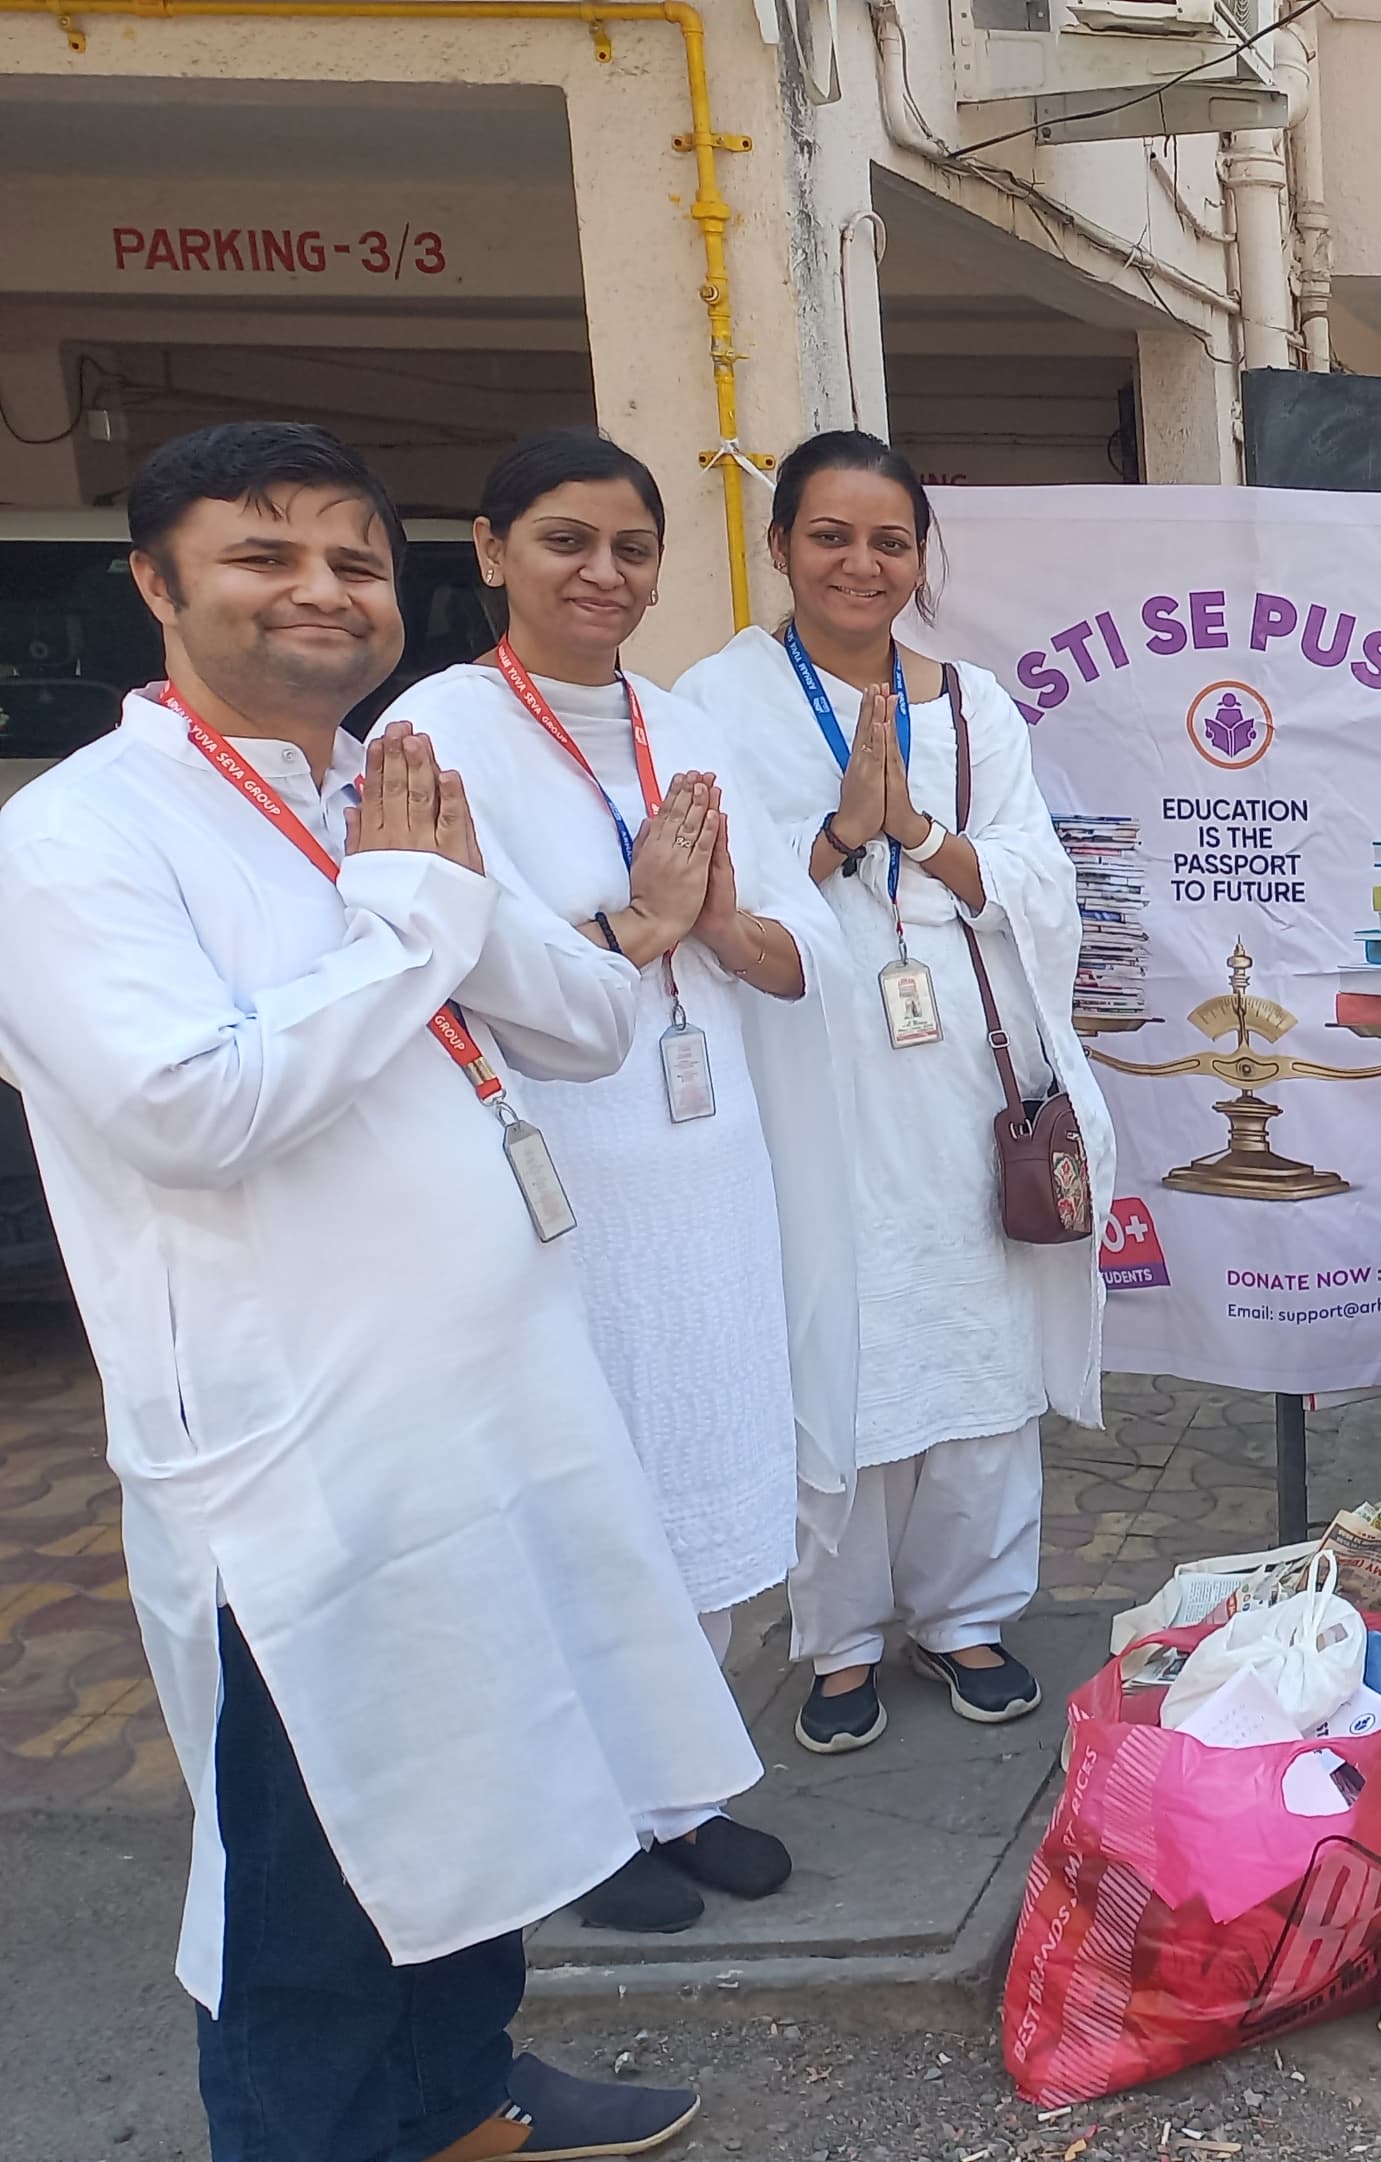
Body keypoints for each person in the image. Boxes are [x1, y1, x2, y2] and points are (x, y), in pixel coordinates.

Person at [0, 422, 752, 2158]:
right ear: (155, 583)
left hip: (490, 1410)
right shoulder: (80, 837)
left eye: (349, 558)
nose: (321, 589)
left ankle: (458, 2093)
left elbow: (586, 1021)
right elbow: (195, 1108)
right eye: (264, 555)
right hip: (299, 1459)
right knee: (319, 1867)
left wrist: (441, 893)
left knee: (480, 1790)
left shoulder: (367, 795)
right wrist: (410, 913)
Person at [378, 429, 857, 1931]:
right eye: (567, 541)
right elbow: (458, 970)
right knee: (587, 1493)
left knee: (711, 1473)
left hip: (708, 1175)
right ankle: (590, 1821)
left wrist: (707, 925)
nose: (604, 573)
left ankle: (681, 1788)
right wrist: (636, 927)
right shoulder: (435, 737)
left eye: (631, 549)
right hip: (558, 1176)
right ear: (491, 549)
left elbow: (802, 951)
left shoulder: (673, 723)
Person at [677, 429, 1111, 1754]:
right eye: (830, 534)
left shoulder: (977, 704)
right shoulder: (720, 700)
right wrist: (838, 833)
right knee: (838, 1343)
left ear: (921, 555)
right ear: (780, 547)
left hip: (963, 1077)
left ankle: (969, 1614)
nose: (860, 562)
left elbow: (1045, 883)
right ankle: (842, 1637)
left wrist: (917, 829)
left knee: (979, 1347)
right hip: (815, 1069)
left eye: (888, 538)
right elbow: (712, 900)